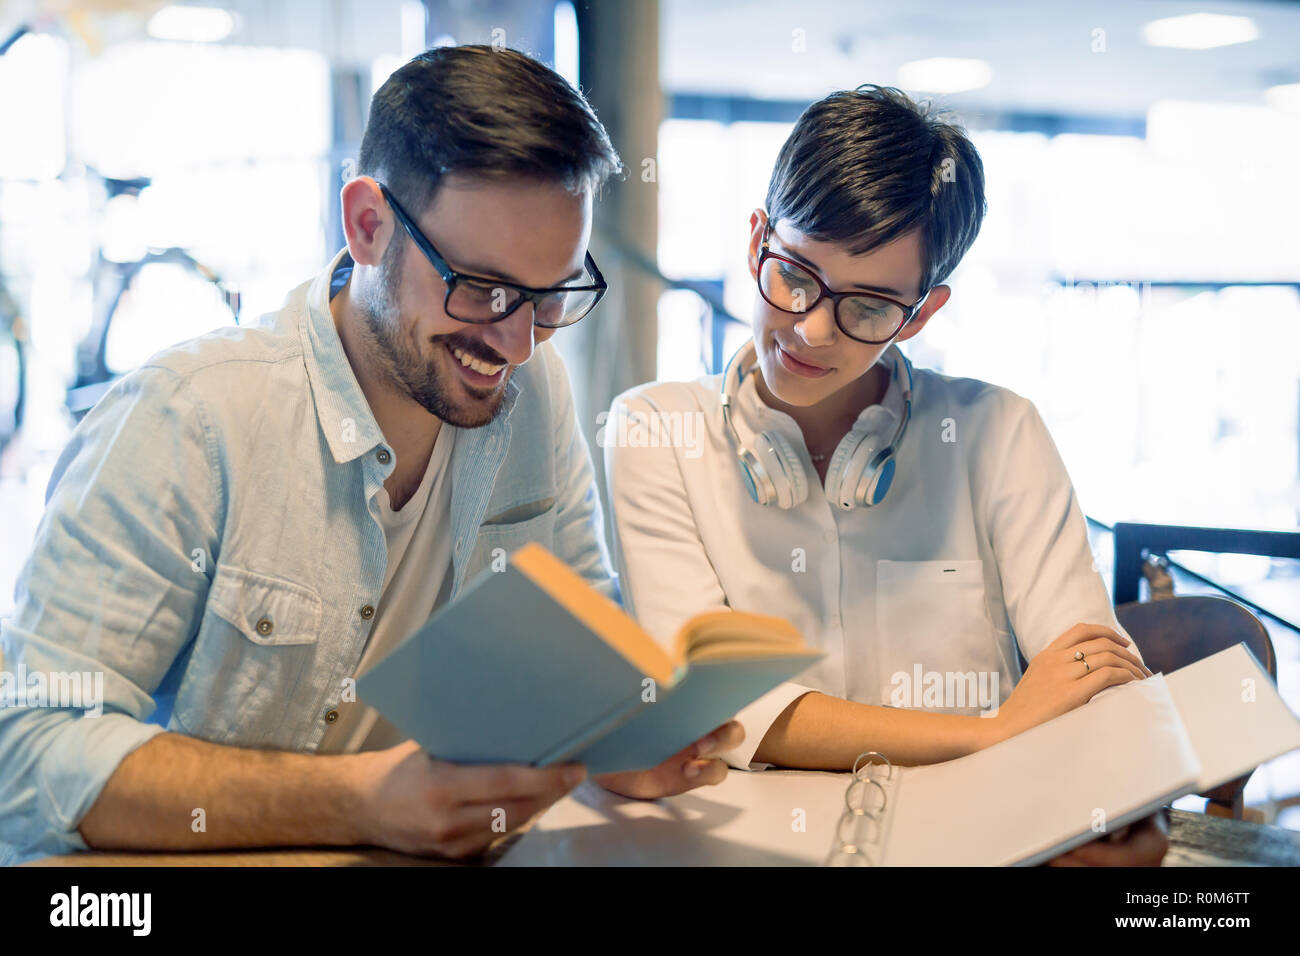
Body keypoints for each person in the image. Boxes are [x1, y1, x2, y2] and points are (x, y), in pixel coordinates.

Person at [0, 45, 741, 867]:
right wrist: (357, 802)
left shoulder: (536, 394)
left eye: (551, 297)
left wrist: (619, 741)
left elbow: (572, 653)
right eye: (484, 290)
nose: (520, 344)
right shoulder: (190, 418)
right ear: (367, 226)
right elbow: (29, 755)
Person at [604, 86, 1166, 865]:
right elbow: (723, 708)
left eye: (867, 307)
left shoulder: (1000, 433)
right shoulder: (653, 430)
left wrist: (1127, 794)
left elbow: (1088, 676)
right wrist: (997, 730)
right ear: (757, 239)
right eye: (795, 274)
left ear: (923, 314)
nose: (810, 327)